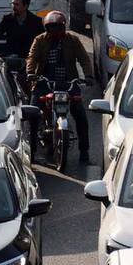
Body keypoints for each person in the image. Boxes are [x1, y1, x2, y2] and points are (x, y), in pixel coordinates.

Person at [25, 10, 95, 163]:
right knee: (32, 115)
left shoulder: (73, 40)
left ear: (63, 27)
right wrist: (31, 73)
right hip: (44, 82)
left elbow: (84, 58)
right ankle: (31, 151)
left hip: (68, 83)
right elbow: (32, 57)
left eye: (58, 28)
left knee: (80, 115)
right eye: (51, 28)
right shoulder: (39, 40)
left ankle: (84, 151)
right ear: (46, 28)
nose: (55, 31)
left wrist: (88, 76)